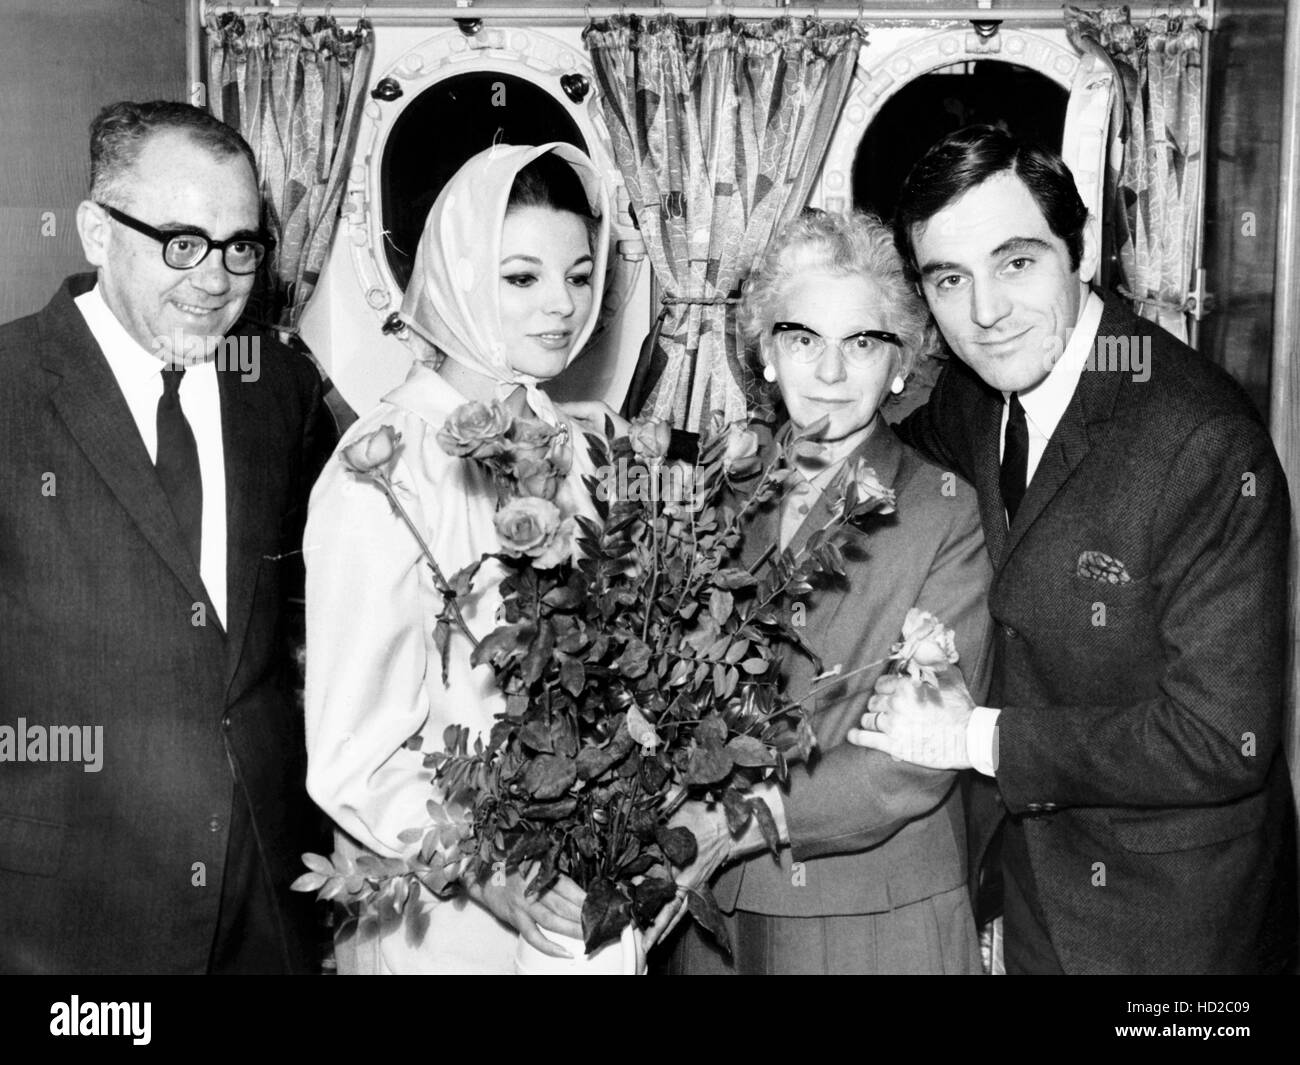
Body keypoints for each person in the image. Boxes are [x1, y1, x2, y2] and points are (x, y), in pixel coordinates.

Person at [850, 124, 1297, 974]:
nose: (985, 311)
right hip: (1029, 890)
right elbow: (900, 439)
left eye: (1015, 262)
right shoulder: (981, 398)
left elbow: (1218, 738)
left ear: (1078, 251)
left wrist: (973, 738)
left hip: (1171, 926)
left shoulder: (1201, 440)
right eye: (950, 279)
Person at [0, 100, 336, 973]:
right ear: (95, 231)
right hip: (62, 910)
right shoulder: (7, 391)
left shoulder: (280, 390)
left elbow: (310, 618)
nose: (216, 278)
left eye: (239, 246)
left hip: (264, 895)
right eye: (180, 242)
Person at [646, 209, 994, 974]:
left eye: (862, 344)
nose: (830, 375)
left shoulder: (943, 512)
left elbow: (916, 760)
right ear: (766, 352)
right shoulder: (717, 493)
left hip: (865, 915)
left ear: (901, 365)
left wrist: (728, 821)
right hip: (706, 918)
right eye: (803, 340)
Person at [304, 143, 614, 973]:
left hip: (574, 886)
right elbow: (352, 755)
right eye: (523, 277)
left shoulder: (573, 446)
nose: (561, 305)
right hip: (436, 907)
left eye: (580, 277)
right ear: (456, 277)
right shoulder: (383, 464)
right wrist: (487, 867)